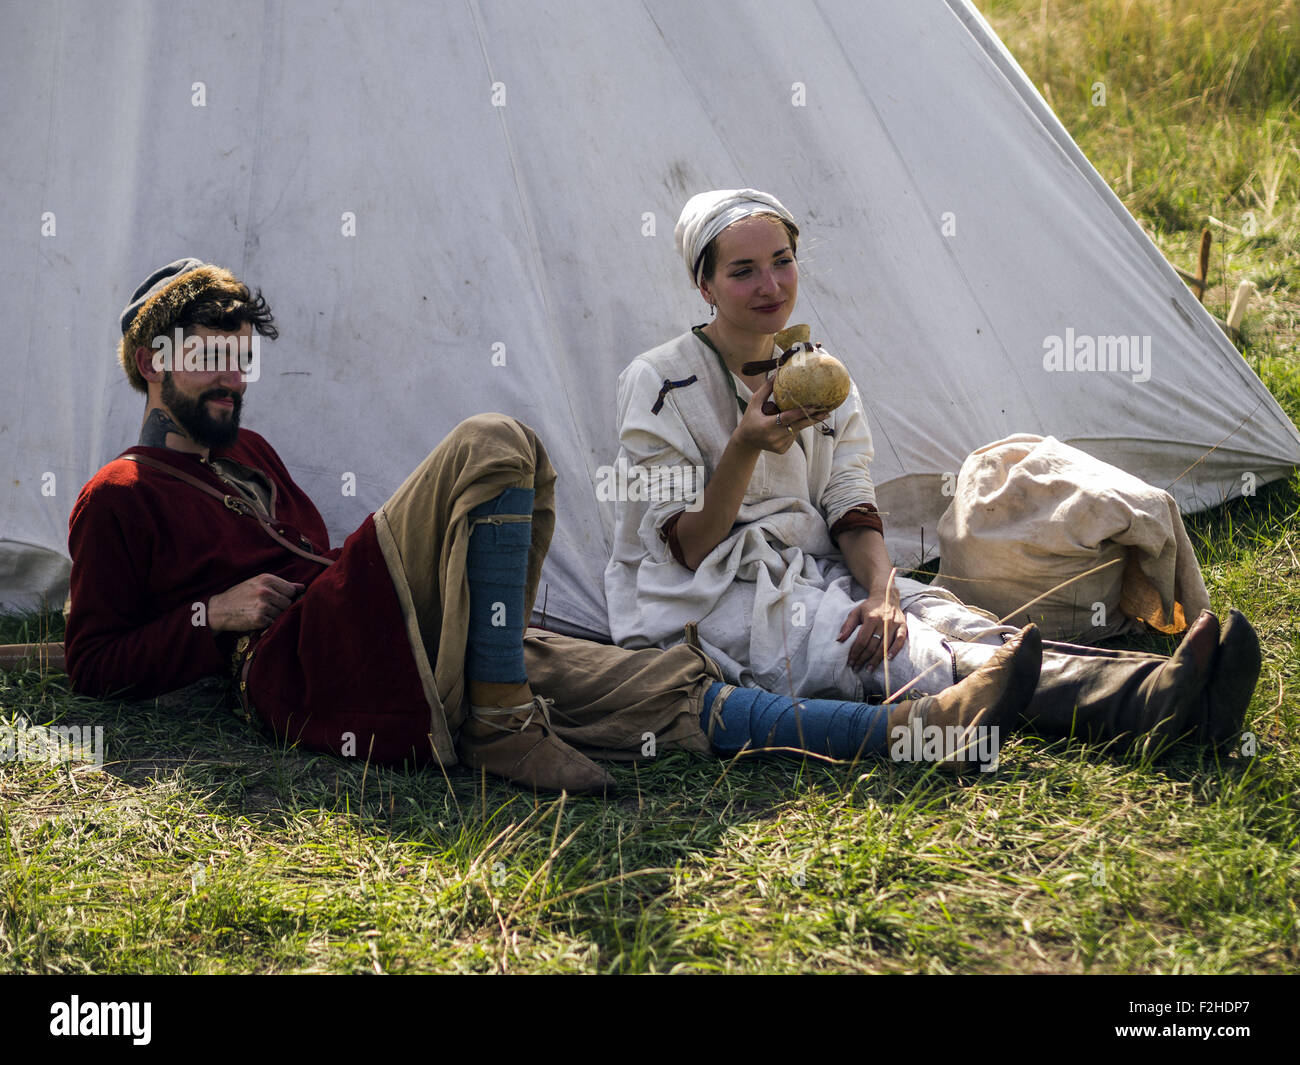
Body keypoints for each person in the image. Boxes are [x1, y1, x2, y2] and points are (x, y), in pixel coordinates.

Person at [63, 258, 1046, 792]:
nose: (232, 379)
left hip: (380, 639)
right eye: (209, 359)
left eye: (242, 359)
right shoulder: (119, 494)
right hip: (291, 662)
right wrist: (211, 616)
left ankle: (917, 731)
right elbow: (92, 662)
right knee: (500, 443)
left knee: (657, 689)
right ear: (153, 364)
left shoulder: (253, 460)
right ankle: (497, 719)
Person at [605, 189, 1262, 756]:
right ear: (705, 285)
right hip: (701, 596)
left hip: (810, 568)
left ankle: (1166, 687)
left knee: (955, 622)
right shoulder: (659, 382)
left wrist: (885, 590)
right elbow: (687, 546)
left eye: (782, 262)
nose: (771, 287)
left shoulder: (823, 376)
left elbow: (850, 505)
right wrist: (745, 446)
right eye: (743, 271)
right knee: (900, 657)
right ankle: (1152, 702)